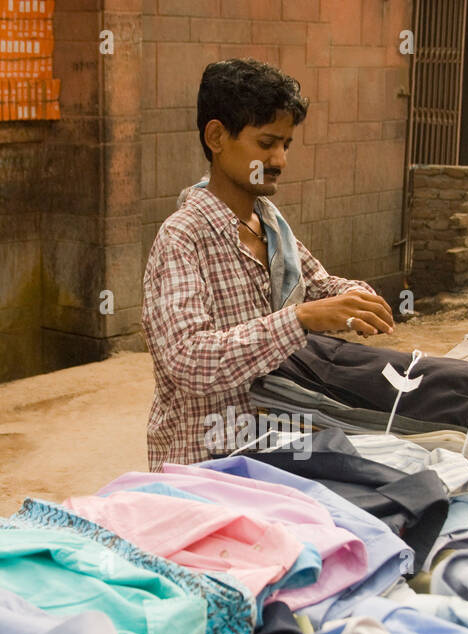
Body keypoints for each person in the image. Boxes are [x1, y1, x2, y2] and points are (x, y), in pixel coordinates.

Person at [140, 58, 395, 471]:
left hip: (273, 449)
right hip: (203, 465)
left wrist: (353, 298)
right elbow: (187, 360)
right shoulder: (182, 237)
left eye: (286, 145)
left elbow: (318, 286)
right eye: (266, 143)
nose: (279, 159)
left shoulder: (271, 225)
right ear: (217, 136)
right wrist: (299, 320)